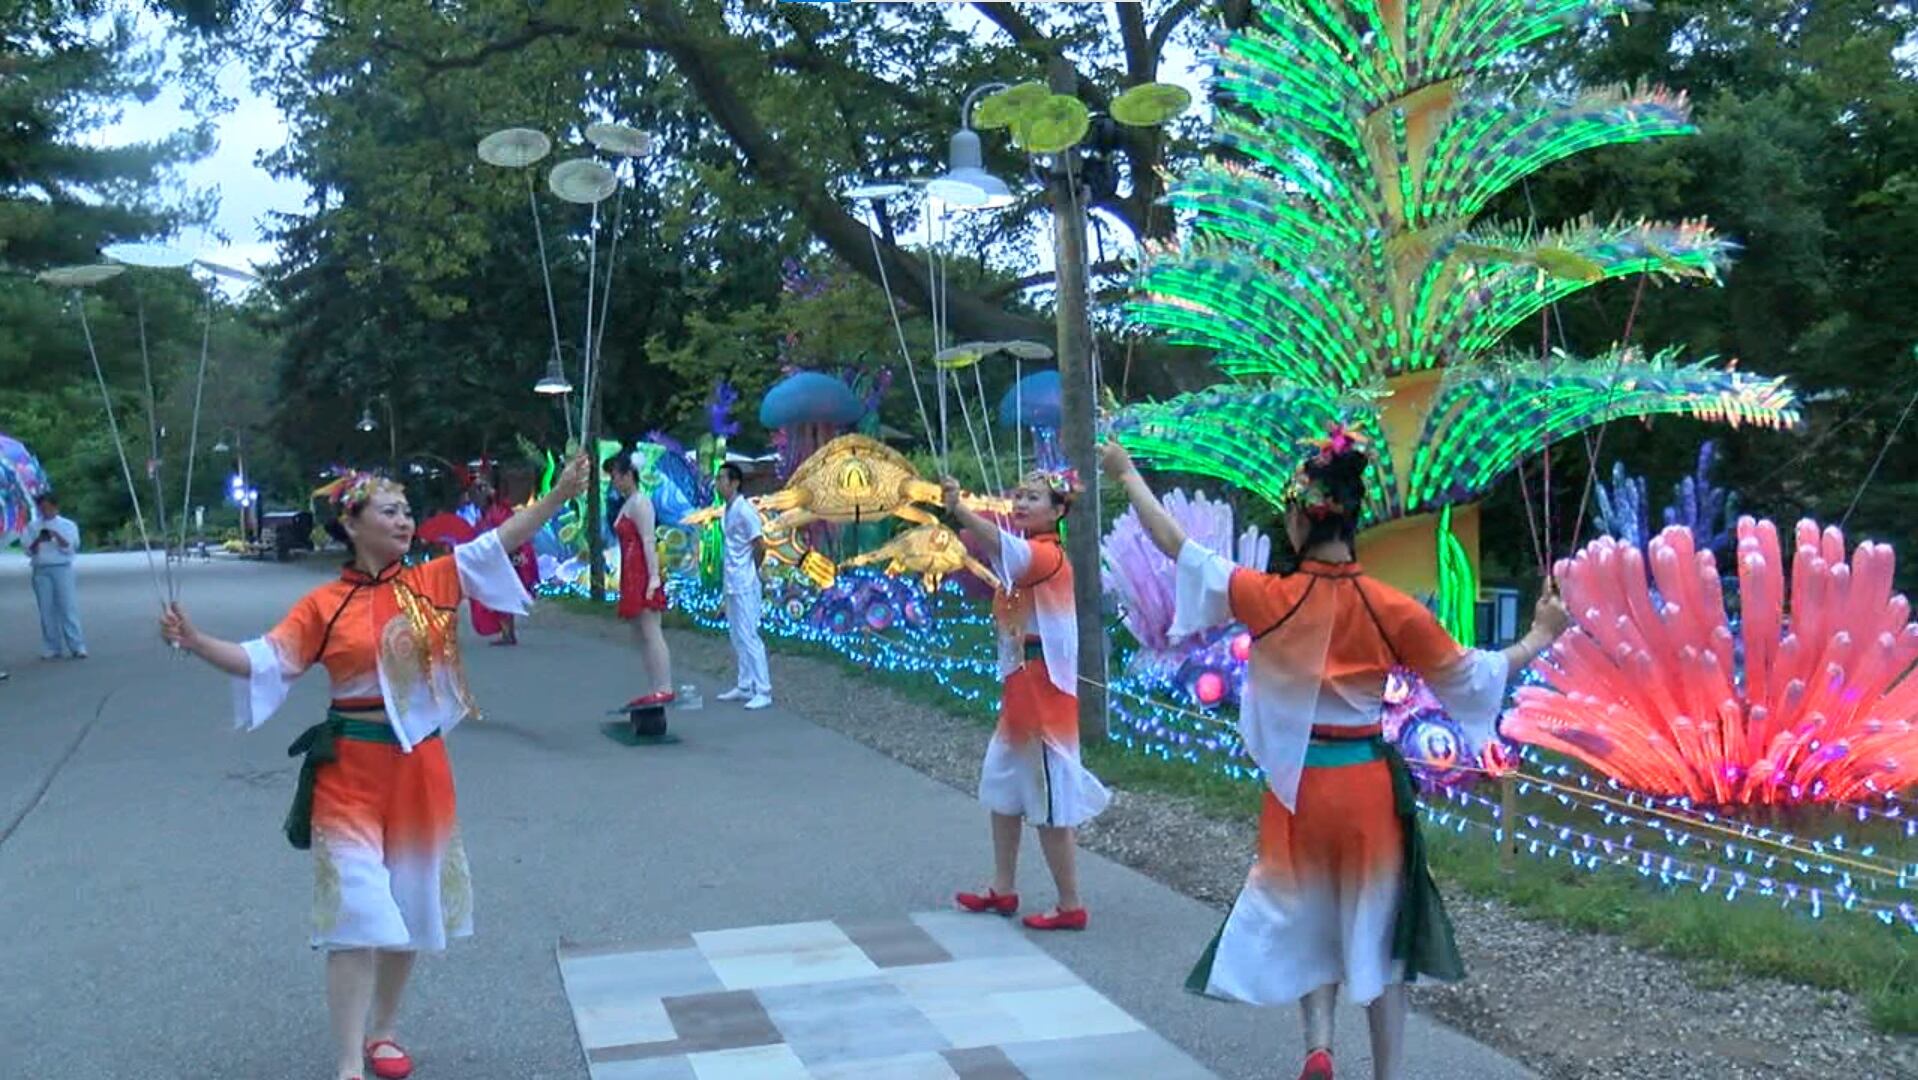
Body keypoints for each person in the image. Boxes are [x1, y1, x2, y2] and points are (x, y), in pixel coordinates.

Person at [1101, 433, 1570, 1080]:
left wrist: (1127, 473)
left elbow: (1179, 548)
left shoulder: (1269, 596)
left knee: (1306, 916)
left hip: (1297, 788)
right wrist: (1541, 636)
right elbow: (1475, 675)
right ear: (1353, 521)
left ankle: (1318, 1045)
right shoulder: (1390, 609)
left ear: (1299, 520)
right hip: (1367, 788)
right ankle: (1385, 1072)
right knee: (1381, 933)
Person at [160, 454, 592, 1080]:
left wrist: (557, 497)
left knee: (412, 907)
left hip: (419, 768)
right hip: (348, 774)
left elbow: (502, 539)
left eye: (408, 512)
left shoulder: (434, 580)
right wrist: (197, 642)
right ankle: (346, 1065)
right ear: (352, 523)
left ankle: (384, 1030)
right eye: (390, 511)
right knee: (355, 915)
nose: (405, 521)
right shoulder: (322, 606)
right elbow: (264, 660)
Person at [942, 470, 1110, 931]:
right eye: (1018, 496)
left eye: (1033, 498)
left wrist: (959, 510)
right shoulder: (1025, 555)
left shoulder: (1046, 555)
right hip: (1021, 681)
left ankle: (1070, 901)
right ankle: (1003, 886)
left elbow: (1006, 549)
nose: (1020, 504)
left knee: (1048, 798)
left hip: (1044, 689)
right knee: (1003, 785)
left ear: (1058, 512)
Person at [606, 450, 673, 707]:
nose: (613, 481)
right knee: (641, 633)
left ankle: (664, 685)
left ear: (628, 475)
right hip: (631, 569)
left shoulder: (641, 502)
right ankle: (655, 684)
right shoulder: (629, 503)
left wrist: (654, 576)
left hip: (641, 571)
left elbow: (648, 539)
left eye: (616, 476)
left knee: (651, 629)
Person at [715, 462, 772, 710]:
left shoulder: (745, 511)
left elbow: (759, 544)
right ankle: (745, 683)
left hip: (746, 581)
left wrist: (754, 570)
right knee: (736, 635)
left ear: (735, 483)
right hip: (731, 580)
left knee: (749, 635)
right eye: (717, 480)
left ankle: (764, 689)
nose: (718, 484)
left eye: (721, 480)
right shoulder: (727, 510)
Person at [466, 480, 535, 645]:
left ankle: (507, 633)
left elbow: (505, 535)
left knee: (501, 595)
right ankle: (507, 632)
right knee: (503, 595)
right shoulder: (491, 513)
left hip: (506, 557)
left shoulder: (497, 513)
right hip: (502, 557)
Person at [27, 492, 86, 660]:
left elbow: (71, 547)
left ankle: (77, 645)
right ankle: (51, 646)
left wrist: (56, 536)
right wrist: (38, 540)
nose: (45, 511)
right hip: (41, 569)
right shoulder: (33, 526)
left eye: (48, 507)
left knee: (68, 607)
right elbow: (28, 551)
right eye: (42, 508)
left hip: (62, 567)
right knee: (46, 609)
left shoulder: (67, 525)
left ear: (55, 507)